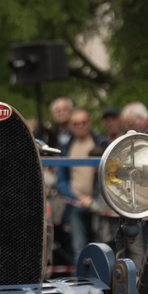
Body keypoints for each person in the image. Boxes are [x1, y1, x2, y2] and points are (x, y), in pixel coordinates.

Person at [54, 109, 99, 263]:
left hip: (98, 203)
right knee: (78, 248)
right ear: (71, 126)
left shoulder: (100, 143)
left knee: (100, 246)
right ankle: (80, 277)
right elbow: (61, 181)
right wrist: (75, 197)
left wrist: (97, 198)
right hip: (75, 204)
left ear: (89, 123)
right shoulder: (66, 148)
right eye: (76, 123)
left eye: (83, 122)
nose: (80, 126)